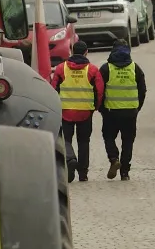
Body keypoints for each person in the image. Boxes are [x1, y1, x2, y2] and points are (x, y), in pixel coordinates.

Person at [49, 47, 103, 182]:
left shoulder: (61, 69)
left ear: (72, 50)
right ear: (86, 52)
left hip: (65, 111)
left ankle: (69, 159)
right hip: (85, 112)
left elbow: (53, 88)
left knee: (65, 140)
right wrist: (95, 107)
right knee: (84, 142)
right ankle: (83, 174)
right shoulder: (92, 70)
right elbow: (99, 91)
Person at [100, 43, 146, 180]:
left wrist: (101, 109)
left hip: (111, 112)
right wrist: (137, 107)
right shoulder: (135, 68)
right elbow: (142, 91)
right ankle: (125, 172)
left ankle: (114, 159)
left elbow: (99, 90)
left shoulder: (106, 68)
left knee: (108, 136)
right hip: (130, 112)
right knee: (128, 141)